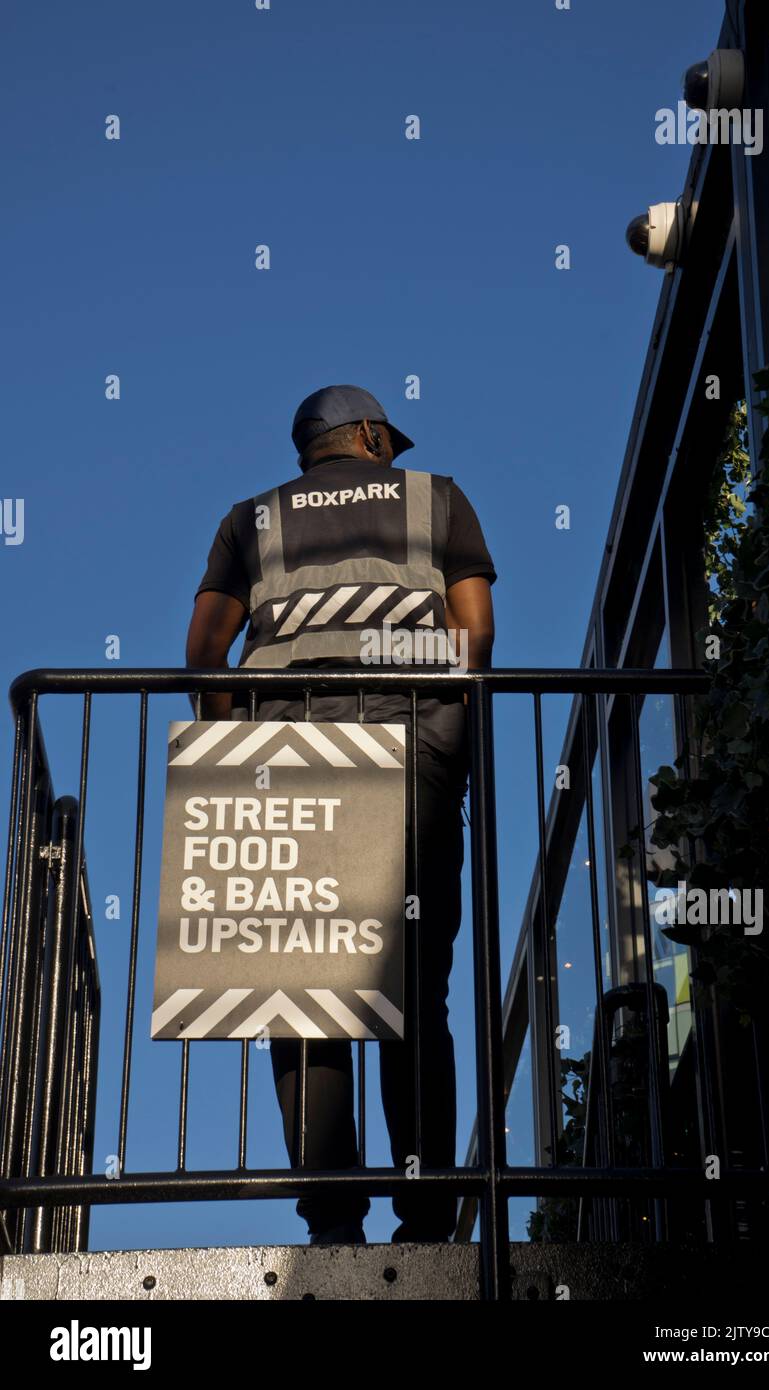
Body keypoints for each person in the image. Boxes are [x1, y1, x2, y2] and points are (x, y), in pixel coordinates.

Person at [185, 384, 496, 1245]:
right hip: (410, 760)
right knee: (415, 992)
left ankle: (331, 1215)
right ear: (363, 433)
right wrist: (447, 749)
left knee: (303, 995)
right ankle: (428, 1210)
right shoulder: (438, 499)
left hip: (289, 766)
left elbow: (205, 651)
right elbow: (475, 638)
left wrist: (232, 756)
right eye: (385, 438)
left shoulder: (251, 521)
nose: (392, 452)